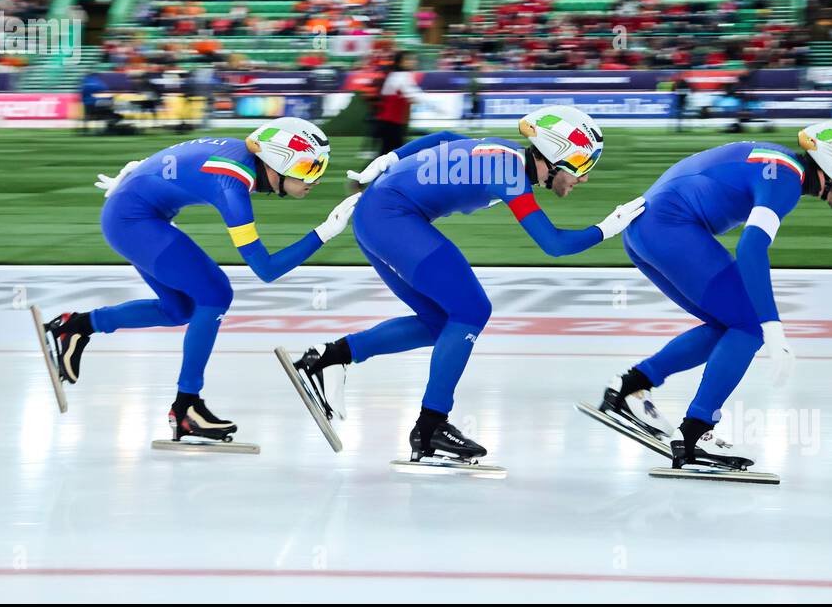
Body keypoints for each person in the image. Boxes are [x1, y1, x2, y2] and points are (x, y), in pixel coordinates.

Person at [281, 106, 646, 467]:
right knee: (472, 310)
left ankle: (328, 358)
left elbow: (443, 139)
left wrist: (392, 157)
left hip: (377, 217)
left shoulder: (498, 150)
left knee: (442, 322)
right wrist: (608, 227)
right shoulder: (509, 174)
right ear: (554, 156)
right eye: (581, 166)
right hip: (390, 218)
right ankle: (431, 424)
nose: (582, 179)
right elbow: (554, 245)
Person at [38, 119, 359, 444]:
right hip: (133, 219)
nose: (314, 179)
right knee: (215, 293)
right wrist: (323, 233)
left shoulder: (240, 157)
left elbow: (187, 156)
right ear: (277, 160)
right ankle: (186, 406)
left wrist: (138, 176)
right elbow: (265, 269)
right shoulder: (232, 185)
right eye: (308, 166)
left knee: (178, 309)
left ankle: (75, 326)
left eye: (319, 167)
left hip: (132, 214)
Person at [591, 121, 832, 474]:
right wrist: (773, 328)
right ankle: (695, 433)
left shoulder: (780, 165)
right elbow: (751, 249)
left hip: (646, 230)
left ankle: (629, 387)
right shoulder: (786, 179)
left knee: (728, 324)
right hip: (669, 228)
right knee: (749, 326)